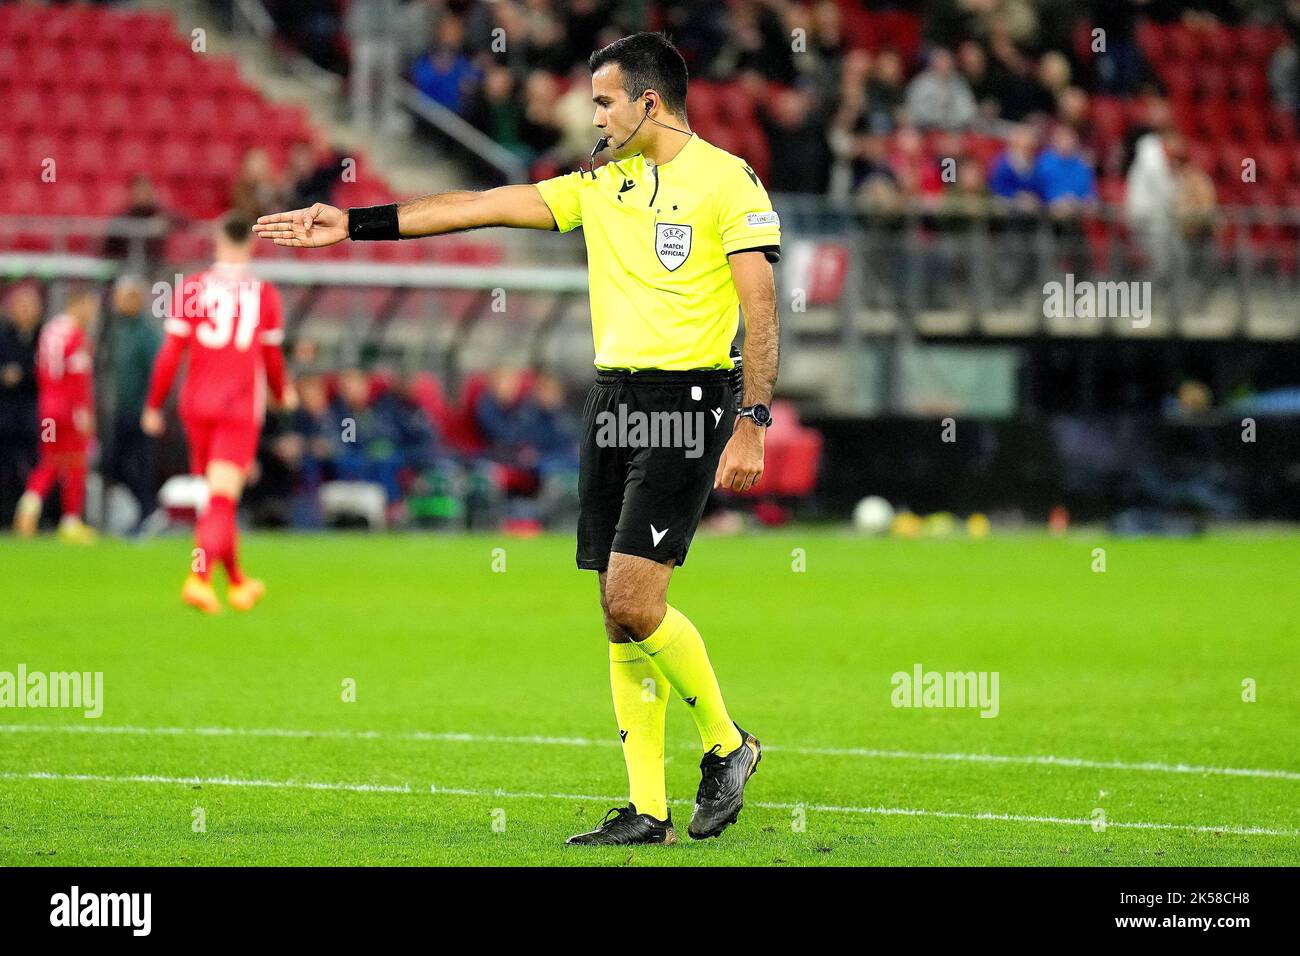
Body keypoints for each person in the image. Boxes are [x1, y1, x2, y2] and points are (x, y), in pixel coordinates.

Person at [255, 31, 780, 847]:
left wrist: (751, 421)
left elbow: (762, 308)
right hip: (613, 398)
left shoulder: (726, 181)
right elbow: (479, 204)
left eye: (604, 100)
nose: (593, 114)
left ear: (649, 102)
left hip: (689, 400)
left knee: (632, 599)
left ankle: (726, 742)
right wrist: (351, 224)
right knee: (616, 618)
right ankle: (648, 810)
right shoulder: (602, 182)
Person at [142, 214, 295, 614]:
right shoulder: (263, 294)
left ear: (216, 241)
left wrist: (154, 405)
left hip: (195, 404)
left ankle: (239, 582)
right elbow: (272, 358)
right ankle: (200, 576)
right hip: (238, 407)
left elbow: (170, 353)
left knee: (217, 497)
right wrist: (283, 394)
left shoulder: (191, 288)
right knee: (223, 500)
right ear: (251, 245)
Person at [13, 288, 98, 543]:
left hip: (47, 408)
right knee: (75, 462)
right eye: (89, 307)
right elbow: (78, 378)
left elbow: (42, 370)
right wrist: (83, 412)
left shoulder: (50, 330)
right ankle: (71, 521)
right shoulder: (75, 335)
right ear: (78, 305)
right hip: (68, 410)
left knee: (51, 459)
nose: (92, 314)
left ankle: (29, 504)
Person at [100, 275, 161, 531]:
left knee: (141, 464)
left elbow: (156, 374)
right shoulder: (114, 331)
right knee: (111, 463)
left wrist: (150, 407)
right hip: (120, 410)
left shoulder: (146, 334)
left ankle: (148, 513)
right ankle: (147, 508)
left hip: (140, 411)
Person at [0, 284, 41, 522]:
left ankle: (38, 517)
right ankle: (6, 517)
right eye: (21, 306)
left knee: (40, 464)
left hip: (41, 418)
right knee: (5, 468)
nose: (25, 311)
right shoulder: (4, 337)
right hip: (6, 415)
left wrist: (23, 375)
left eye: (30, 306)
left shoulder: (44, 338)